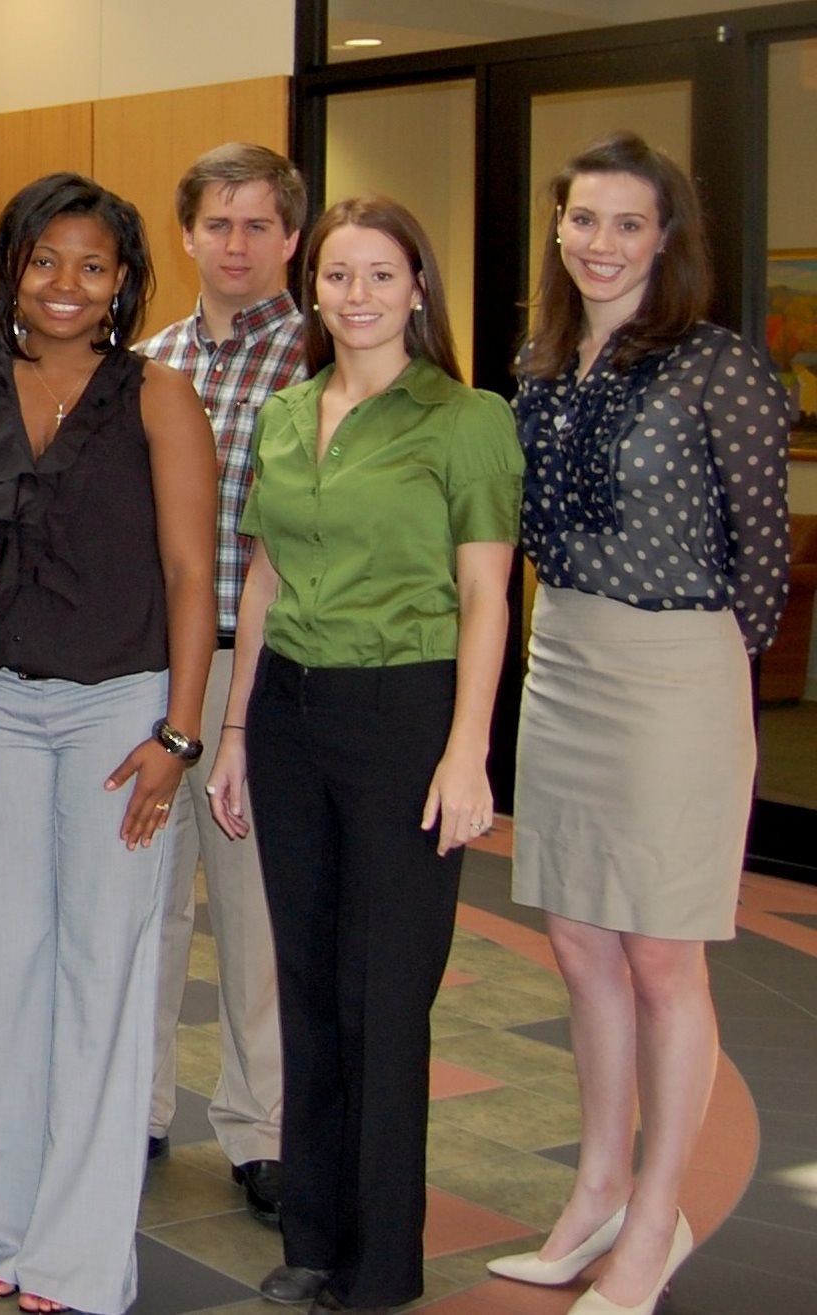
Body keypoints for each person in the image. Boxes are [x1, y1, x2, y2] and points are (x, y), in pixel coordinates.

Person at [485, 133, 790, 1315]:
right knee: (578, 944)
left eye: (626, 223)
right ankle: (596, 1192)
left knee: (662, 957)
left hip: (676, 673)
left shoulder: (719, 367)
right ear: (558, 230)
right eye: (583, 220)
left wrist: (702, 671)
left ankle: (657, 1220)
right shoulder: (544, 359)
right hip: (564, 660)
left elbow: (761, 558)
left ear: (666, 239)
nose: (600, 243)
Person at [207, 195, 522, 1315]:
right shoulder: (289, 412)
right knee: (309, 988)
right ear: (317, 288)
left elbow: (487, 594)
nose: (359, 296)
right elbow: (270, 576)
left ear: (418, 289)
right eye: (340, 276)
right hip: (289, 711)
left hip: (406, 714)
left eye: (381, 276)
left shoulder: (468, 416)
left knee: (384, 997)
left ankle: (382, 1264)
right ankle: (315, 1236)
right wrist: (239, 729)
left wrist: (469, 749)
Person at [0, 172, 218, 1315]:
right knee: (4, 971)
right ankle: (0, 1227)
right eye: (45, 260)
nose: (66, 285)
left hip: (119, 713)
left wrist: (178, 733)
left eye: (92, 265)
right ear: (12, 270)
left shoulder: (159, 397)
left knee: (104, 974)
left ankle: (82, 1259)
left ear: (123, 282)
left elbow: (197, 577)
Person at [136, 141, 308, 1222]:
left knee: (255, 917)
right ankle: (137, 1110)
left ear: (291, 237)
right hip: (154, 667)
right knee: (141, 905)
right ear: (186, 234)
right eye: (217, 224)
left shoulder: (325, 355)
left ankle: (263, 1132)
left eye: (258, 225)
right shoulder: (148, 361)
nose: (235, 244)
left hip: (264, 671)